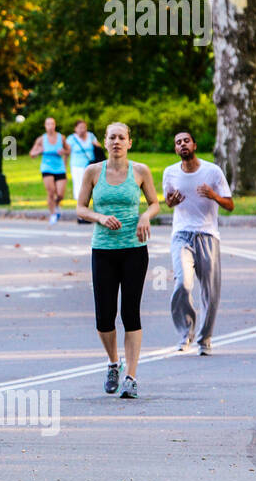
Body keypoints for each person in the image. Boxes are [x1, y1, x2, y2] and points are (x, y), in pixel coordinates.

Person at [75, 121, 160, 399]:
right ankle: (113, 362)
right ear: (105, 141)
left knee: (130, 312)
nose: (116, 142)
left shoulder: (140, 171)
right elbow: (80, 208)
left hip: (134, 248)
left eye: (122, 137)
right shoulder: (92, 172)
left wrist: (145, 216)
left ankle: (131, 377)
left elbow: (154, 203)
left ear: (129, 142)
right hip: (103, 250)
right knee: (104, 316)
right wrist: (99, 217)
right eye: (112, 137)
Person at [162, 130, 233, 356]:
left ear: (194, 144)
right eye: (178, 142)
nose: (182, 144)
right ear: (175, 149)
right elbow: (168, 202)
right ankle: (185, 333)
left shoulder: (212, 171)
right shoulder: (170, 172)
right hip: (181, 234)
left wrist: (214, 195)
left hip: (207, 235)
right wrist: (170, 202)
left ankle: (205, 338)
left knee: (210, 293)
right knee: (183, 283)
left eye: (186, 141)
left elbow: (230, 205)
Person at [30, 117, 71, 224]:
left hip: (60, 168)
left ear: (55, 125)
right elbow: (32, 154)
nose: (50, 126)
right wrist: (39, 151)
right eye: (48, 124)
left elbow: (68, 150)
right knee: (51, 192)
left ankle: (56, 205)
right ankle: (53, 214)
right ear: (45, 126)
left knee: (61, 194)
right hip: (47, 168)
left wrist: (64, 152)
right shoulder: (41, 139)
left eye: (52, 124)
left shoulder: (61, 138)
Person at [67, 120, 100, 216]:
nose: (82, 130)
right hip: (77, 166)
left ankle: (92, 211)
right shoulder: (71, 139)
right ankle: (81, 213)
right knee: (79, 188)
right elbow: (67, 152)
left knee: (93, 188)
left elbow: (98, 148)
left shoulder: (91, 136)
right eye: (80, 127)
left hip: (91, 166)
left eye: (84, 127)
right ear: (75, 129)